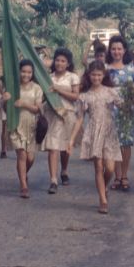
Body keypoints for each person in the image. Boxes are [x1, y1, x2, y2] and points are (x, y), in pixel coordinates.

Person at [68, 61, 122, 214]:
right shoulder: (84, 96)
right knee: (98, 166)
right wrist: (71, 140)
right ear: (88, 75)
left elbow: (123, 107)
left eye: (99, 75)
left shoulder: (110, 92)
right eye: (93, 75)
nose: (96, 77)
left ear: (103, 75)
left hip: (109, 131)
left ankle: (103, 187)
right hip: (93, 132)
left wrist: (132, 100)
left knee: (110, 168)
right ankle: (103, 200)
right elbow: (79, 119)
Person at [1, 59, 44, 198]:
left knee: (30, 158)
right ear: (19, 72)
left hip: (31, 125)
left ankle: (23, 174)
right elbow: (5, 110)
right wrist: (5, 100)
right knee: (22, 155)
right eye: (23, 71)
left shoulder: (37, 88)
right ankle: (23, 185)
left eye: (29, 72)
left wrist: (24, 104)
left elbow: (38, 109)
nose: (26, 74)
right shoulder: (13, 87)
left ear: (33, 73)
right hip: (16, 125)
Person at [42, 47, 80, 194]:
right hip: (51, 114)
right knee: (53, 147)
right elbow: (43, 96)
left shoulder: (73, 77)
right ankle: (53, 180)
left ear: (68, 63)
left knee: (64, 148)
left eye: (63, 61)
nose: (59, 63)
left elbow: (75, 96)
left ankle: (64, 170)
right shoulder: (48, 77)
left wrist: (58, 90)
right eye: (57, 60)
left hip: (67, 115)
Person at [106, 35, 134, 191]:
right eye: (113, 48)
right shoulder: (105, 69)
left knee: (126, 144)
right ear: (110, 50)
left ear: (124, 50)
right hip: (109, 111)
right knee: (114, 144)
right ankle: (117, 176)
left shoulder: (132, 69)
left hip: (127, 112)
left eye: (119, 48)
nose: (116, 51)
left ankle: (125, 175)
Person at [0, 75, 9, 158]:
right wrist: (3, 93)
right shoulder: (6, 72)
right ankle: (3, 150)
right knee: (4, 127)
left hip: (15, 100)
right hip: (6, 101)